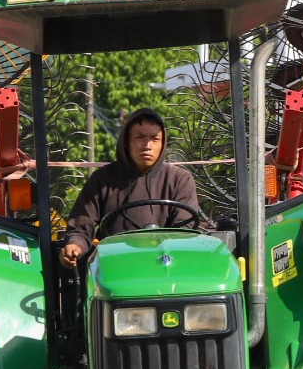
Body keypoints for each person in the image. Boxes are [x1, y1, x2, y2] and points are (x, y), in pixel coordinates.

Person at [60, 108, 201, 269]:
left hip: (167, 267)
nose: (147, 145)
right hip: (115, 267)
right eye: (140, 137)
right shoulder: (103, 179)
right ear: (126, 142)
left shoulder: (180, 179)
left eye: (154, 139)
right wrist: (75, 245)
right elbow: (81, 225)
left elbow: (184, 231)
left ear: (163, 144)